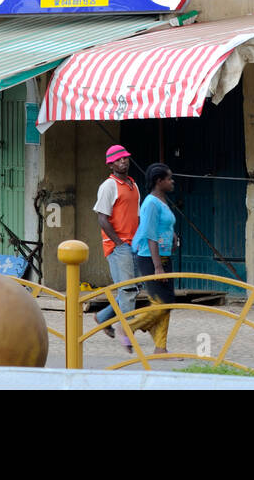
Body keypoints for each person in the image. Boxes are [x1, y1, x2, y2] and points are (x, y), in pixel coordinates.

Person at [92, 144, 140, 353]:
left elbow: (136, 216)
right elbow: (102, 218)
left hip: (135, 244)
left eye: (125, 158)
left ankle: (102, 317)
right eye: (119, 160)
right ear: (110, 164)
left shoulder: (133, 185)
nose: (123, 162)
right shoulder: (108, 186)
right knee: (128, 290)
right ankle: (126, 333)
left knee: (130, 289)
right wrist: (118, 243)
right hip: (118, 246)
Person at [131, 163, 178, 355]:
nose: (172, 181)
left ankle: (161, 349)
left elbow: (163, 226)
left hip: (165, 256)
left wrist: (173, 236)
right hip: (150, 259)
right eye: (169, 178)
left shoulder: (163, 200)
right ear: (159, 181)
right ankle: (128, 327)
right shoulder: (150, 203)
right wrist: (158, 267)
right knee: (162, 303)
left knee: (166, 303)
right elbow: (150, 234)